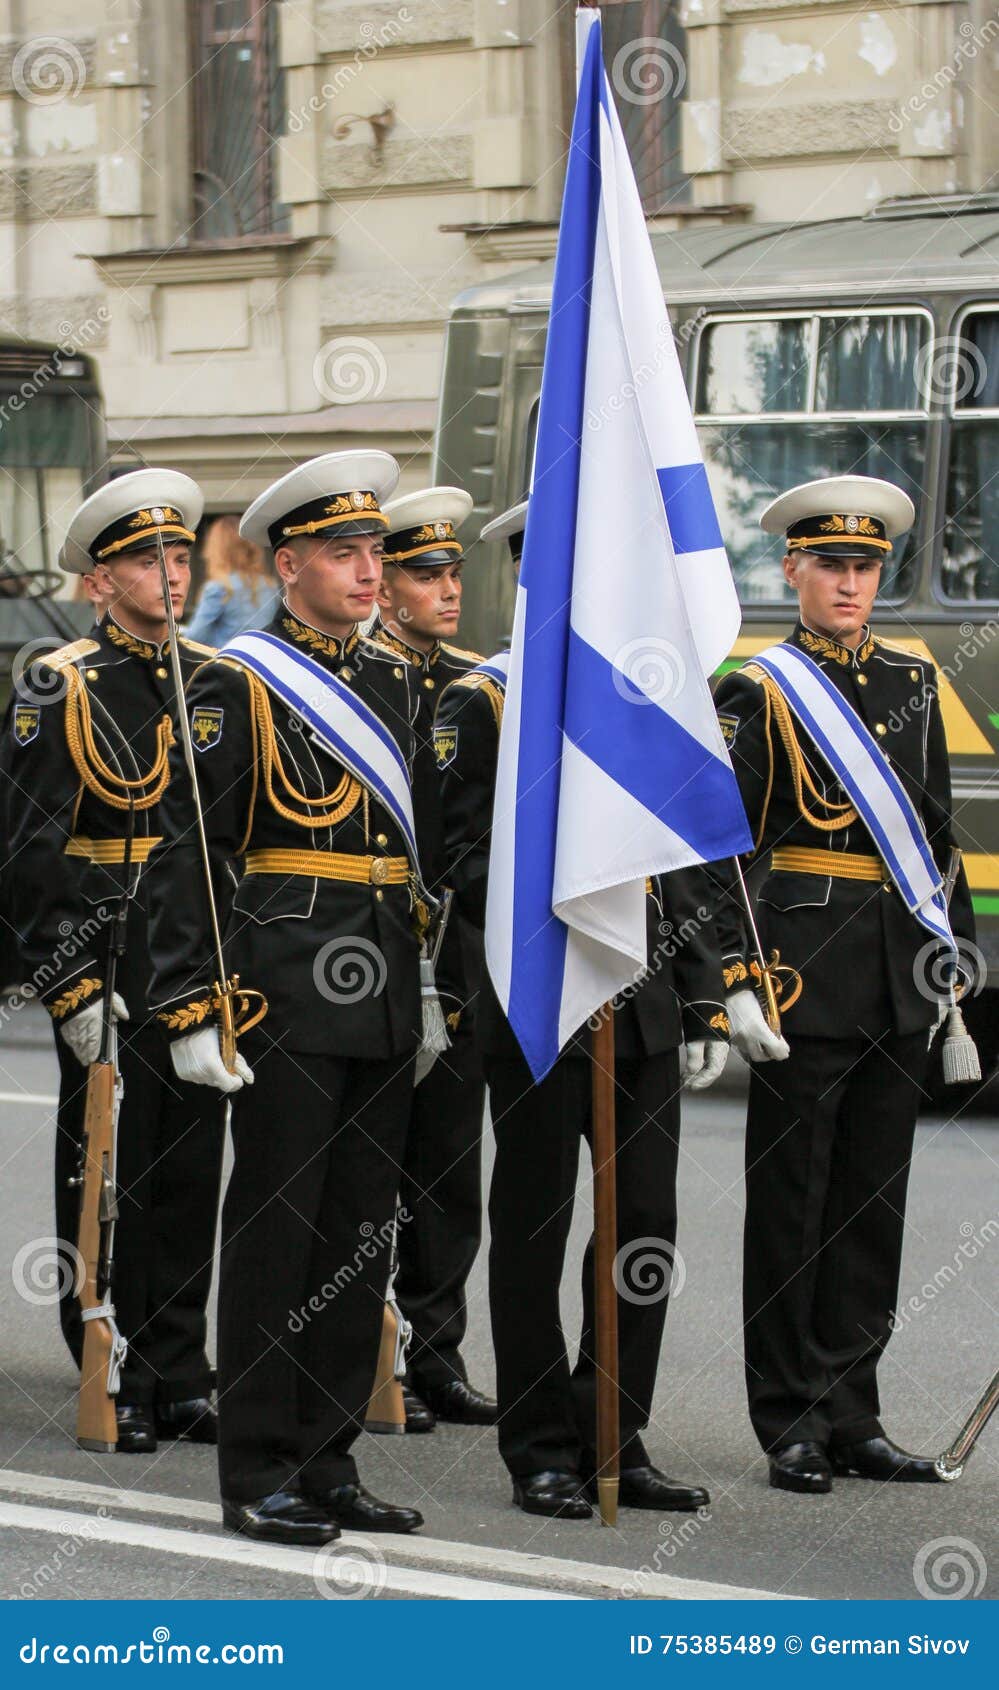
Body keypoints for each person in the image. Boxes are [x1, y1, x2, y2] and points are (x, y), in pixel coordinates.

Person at [145, 451, 429, 1547]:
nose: (371, 571)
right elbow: (189, 853)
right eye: (347, 553)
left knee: (361, 1235)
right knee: (278, 1234)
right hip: (282, 989)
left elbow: (421, 850)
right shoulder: (237, 680)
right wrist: (189, 1002)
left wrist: (434, 983)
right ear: (290, 562)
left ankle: (327, 1455)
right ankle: (256, 1468)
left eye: (376, 552)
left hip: (388, 985)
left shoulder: (401, 679)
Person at [436, 501, 730, 1520]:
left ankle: (618, 1429)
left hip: (640, 998)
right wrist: (566, 879)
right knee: (534, 1219)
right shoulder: (483, 703)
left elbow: (682, 857)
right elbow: (459, 859)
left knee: (643, 1220)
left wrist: (702, 999)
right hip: (540, 993)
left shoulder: (642, 698)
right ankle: (540, 1444)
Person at [711, 475, 976, 1494]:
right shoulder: (761, 687)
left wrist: (948, 954)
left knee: (872, 1204)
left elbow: (937, 835)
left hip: (896, 975)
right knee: (794, 1200)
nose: (851, 583)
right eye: (831, 566)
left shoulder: (912, 683)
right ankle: (788, 1417)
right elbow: (725, 848)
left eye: (866, 567)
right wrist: (735, 974)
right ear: (794, 571)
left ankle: (854, 1407)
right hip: (801, 968)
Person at [3, 470, 225, 1451]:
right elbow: (31, 850)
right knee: (109, 1171)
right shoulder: (59, 682)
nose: (171, 575)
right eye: (147, 560)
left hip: (195, 952)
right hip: (109, 952)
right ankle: (111, 1362)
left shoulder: (212, 675)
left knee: (190, 1166)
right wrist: (70, 982)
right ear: (101, 582)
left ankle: (180, 1368)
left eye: (180, 557)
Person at [370, 486, 496, 1432]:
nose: (447, 590)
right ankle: (371, 1356)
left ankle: (437, 1349)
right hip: (367, 955)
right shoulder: (351, 677)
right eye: (425, 574)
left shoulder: (473, 681)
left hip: (453, 952)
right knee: (370, 1167)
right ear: (384, 585)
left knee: (449, 1165)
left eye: (453, 573)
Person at [183, 514, 277, 645]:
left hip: (228, 661)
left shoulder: (219, 587)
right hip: (261, 660)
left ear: (217, 548)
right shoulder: (270, 586)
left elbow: (195, 637)